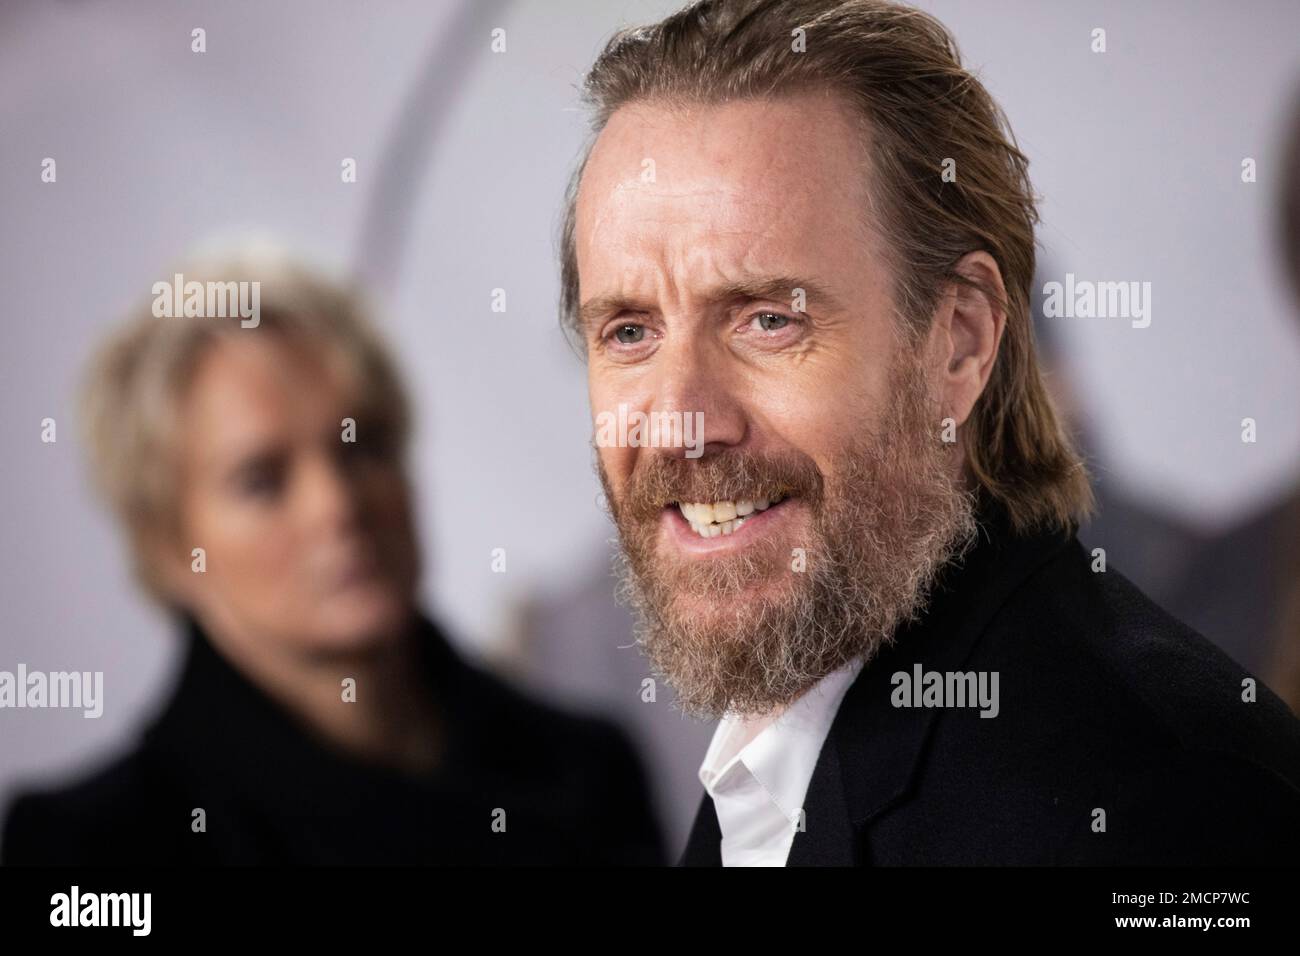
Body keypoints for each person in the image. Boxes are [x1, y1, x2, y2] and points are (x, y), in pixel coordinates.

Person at [557, 0, 1300, 865]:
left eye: (767, 320)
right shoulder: (779, 756)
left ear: (959, 343)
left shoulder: (1164, 815)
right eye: (630, 332)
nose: (684, 421)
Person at [1, 247, 665, 866]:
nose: (337, 507)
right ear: (167, 545)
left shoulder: (586, 772)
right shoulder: (87, 850)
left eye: (362, 446)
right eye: (262, 479)